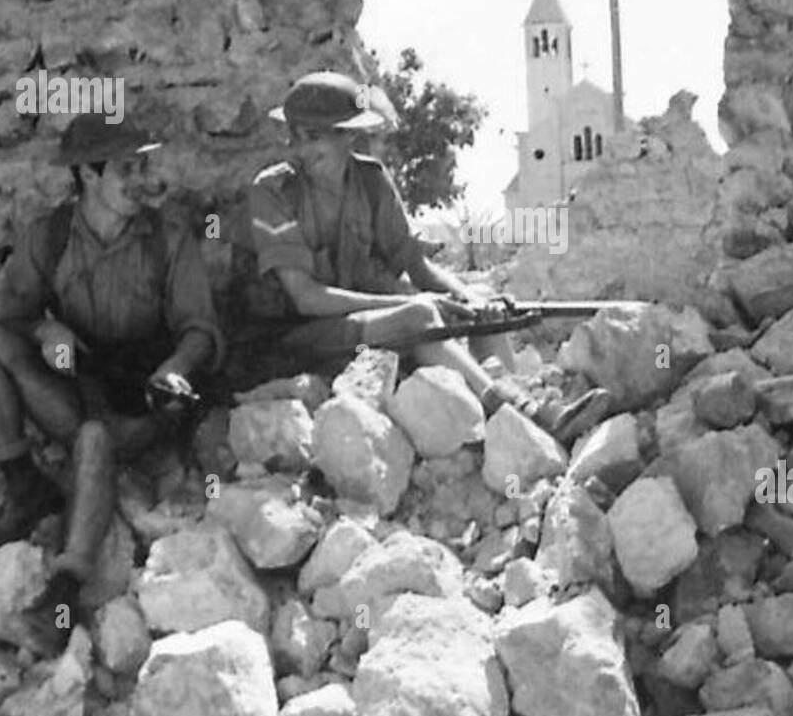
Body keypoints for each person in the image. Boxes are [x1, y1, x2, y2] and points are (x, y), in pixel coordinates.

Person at [0, 112, 223, 649]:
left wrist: (175, 369)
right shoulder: (48, 237)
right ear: (88, 175)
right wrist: (45, 327)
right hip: (76, 389)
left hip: (141, 400)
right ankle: (26, 486)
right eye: (127, 168)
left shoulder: (168, 238)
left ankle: (63, 594)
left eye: (143, 165)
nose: (142, 179)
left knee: (96, 438)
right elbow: (12, 316)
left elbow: (201, 330)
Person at [245, 71, 610, 443]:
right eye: (295, 137)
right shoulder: (272, 192)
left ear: (348, 136)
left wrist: (468, 300)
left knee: (481, 316)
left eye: (315, 137)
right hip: (301, 339)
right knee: (419, 316)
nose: (301, 150)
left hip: (365, 326)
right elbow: (305, 298)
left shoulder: (370, 181)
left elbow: (416, 266)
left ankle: (520, 418)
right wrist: (411, 302)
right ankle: (524, 412)